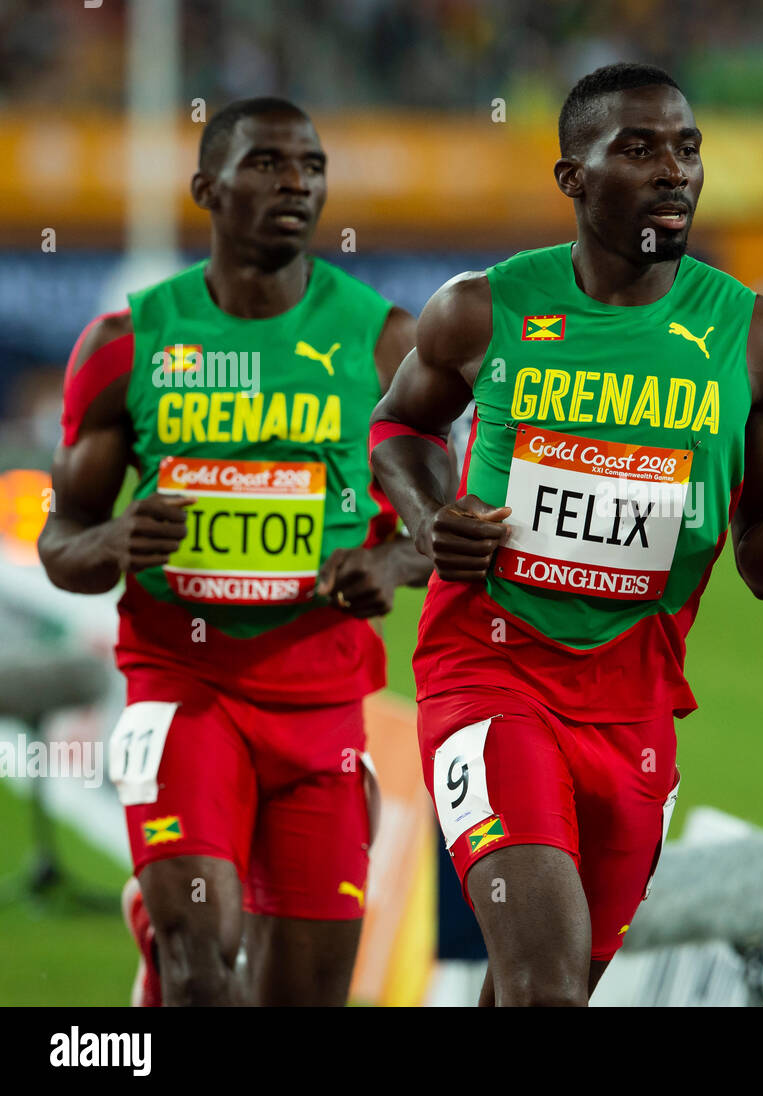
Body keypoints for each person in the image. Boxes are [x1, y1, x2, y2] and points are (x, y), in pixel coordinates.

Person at [369, 62, 763, 1007]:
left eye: (688, 148)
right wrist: (432, 522)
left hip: (635, 709)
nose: (674, 169)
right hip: (490, 675)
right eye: (638, 148)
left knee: (549, 990)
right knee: (544, 983)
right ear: (572, 177)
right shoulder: (485, 308)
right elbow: (398, 429)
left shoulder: (758, 337)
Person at [38, 97, 428, 1006]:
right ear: (206, 187)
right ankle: (164, 934)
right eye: (266, 164)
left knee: (303, 995)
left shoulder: (383, 344)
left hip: (325, 702)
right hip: (181, 688)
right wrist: (113, 541)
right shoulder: (126, 345)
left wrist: (394, 564)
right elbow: (62, 543)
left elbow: (449, 524)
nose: (296, 183)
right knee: (201, 967)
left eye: (312, 166)